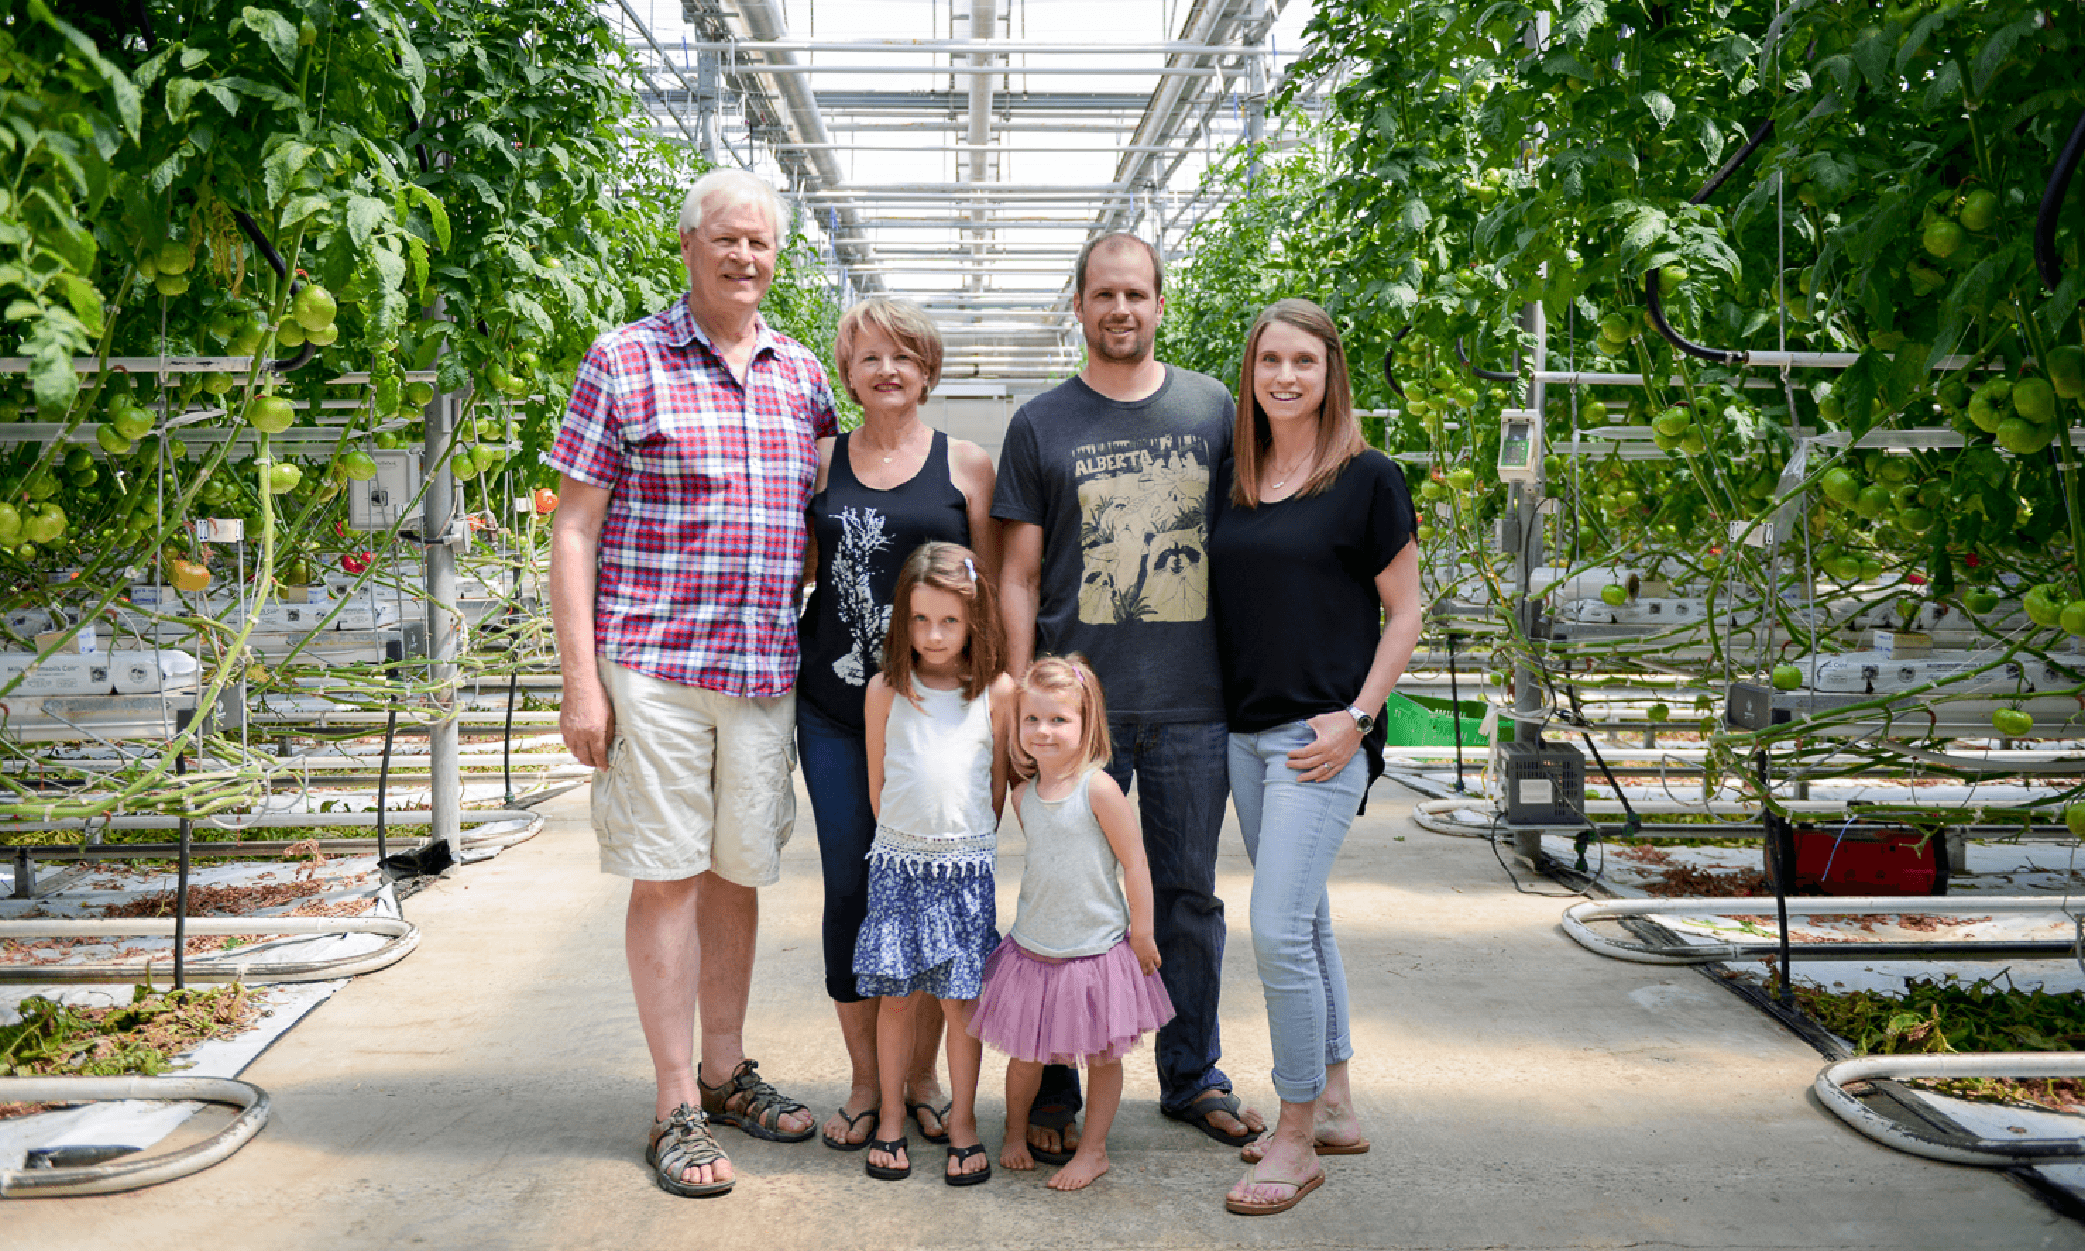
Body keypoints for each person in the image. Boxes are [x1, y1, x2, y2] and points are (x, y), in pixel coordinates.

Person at [547, 168, 834, 1198]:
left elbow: (823, 521)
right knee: (665, 873)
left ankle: (726, 1069)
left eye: (761, 243)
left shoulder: (802, 374)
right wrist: (581, 681)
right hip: (654, 665)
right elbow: (574, 527)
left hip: (761, 666)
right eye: (728, 240)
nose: (746, 257)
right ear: (688, 245)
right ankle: (674, 1101)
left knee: (736, 869)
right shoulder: (623, 360)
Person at [994, 231, 1263, 1158]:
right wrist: (1023, 700)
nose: (1120, 310)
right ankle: (1058, 1086)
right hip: (1079, 717)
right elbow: (1020, 575)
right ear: (1079, 305)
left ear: (1159, 302)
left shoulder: (1213, 407)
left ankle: (1192, 1075)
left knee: (1187, 895)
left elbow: (1246, 545)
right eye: (1102, 295)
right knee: (1068, 893)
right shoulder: (1040, 423)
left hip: (1193, 698)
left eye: (1135, 295)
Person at [1207, 298, 1422, 1216]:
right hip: (1246, 733)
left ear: (1331, 371)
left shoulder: (1369, 478)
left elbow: (1406, 611)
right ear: (1249, 374)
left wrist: (1359, 718)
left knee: (1277, 928)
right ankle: (1334, 1100)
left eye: (1303, 361)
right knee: (1310, 919)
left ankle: (1294, 1137)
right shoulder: (1237, 475)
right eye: (1268, 362)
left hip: (1318, 737)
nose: (1285, 377)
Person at [796, 297, 997, 1153]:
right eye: (870, 356)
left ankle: (921, 1080)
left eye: (904, 357)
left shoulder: (968, 466)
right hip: (837, 708)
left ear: (928, 370)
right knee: (857, 886)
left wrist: (1007, 697)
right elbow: (790, 571)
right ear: (846, 370)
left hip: (940, 716)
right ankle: (866, 1080)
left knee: (937, 892)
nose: (887, 370)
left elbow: (994, 593)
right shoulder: (817, 460)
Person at [970, 656, 1175, 1192]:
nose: (1044, 730)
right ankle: (1015, 1133)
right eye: (1032, 719)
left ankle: (1094, 1150)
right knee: (1026, 1056)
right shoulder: (1023, 795)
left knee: (1103, 1058)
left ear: (1087, 724)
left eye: (1059, 719)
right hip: (1035, 946)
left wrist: (1143, 931)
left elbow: (1135, 863)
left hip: (1096, 949)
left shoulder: (1099, 789)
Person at [853, 542, 1016, 1185]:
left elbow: (996, 789)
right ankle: (891, 1117)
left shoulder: (997, 693)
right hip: (897, 866)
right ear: (903, 620)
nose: (934, 634)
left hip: (965, 873)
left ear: (974, 620)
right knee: (896, 999)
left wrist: (960, 845)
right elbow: (878, 784)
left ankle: (965, 1121)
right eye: (920, 620)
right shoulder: (886, 690)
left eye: (949, 620)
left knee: (960, 1003)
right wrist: (912, 841)